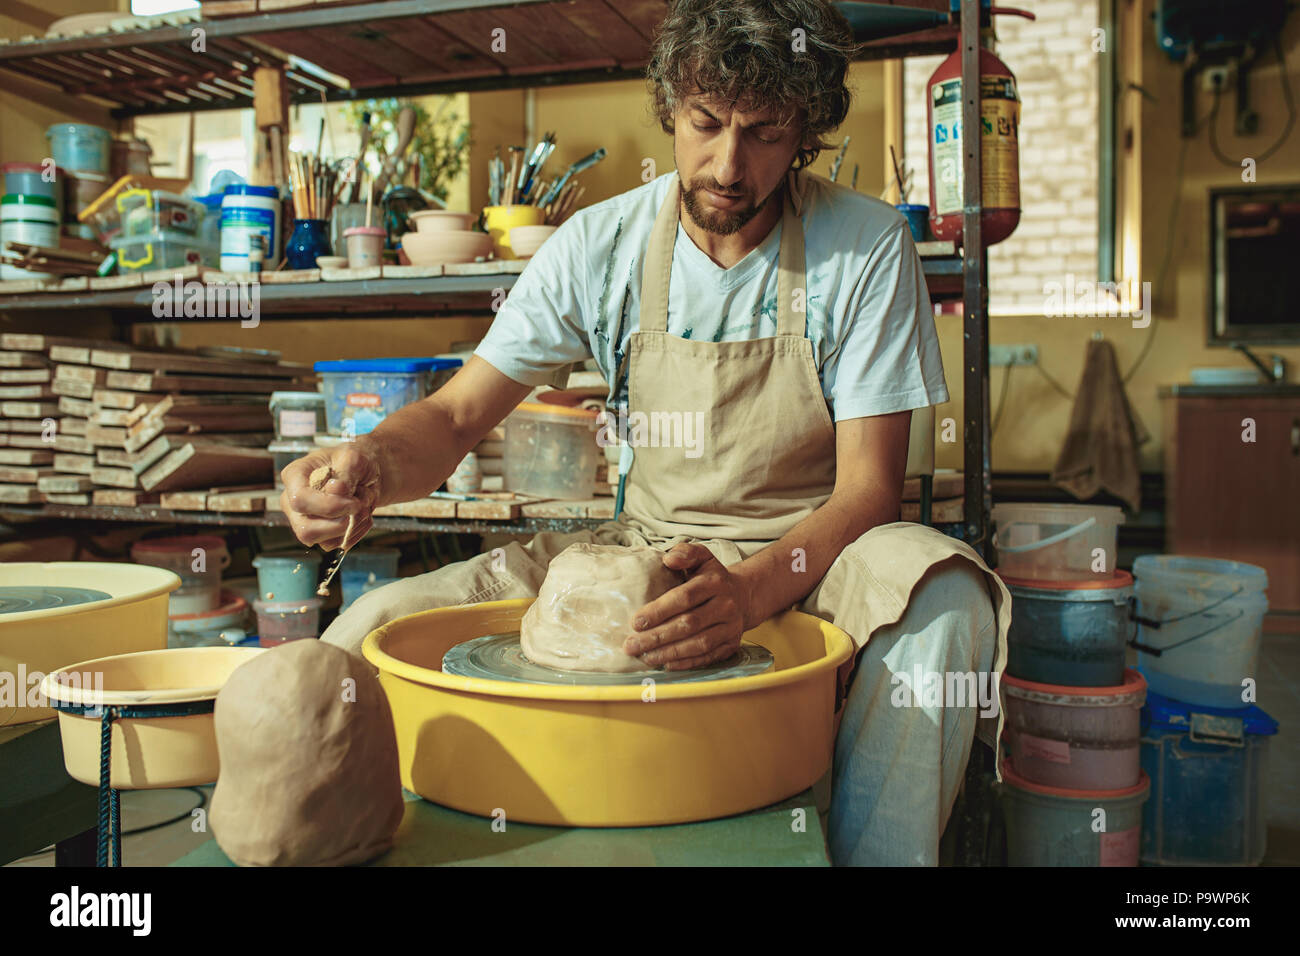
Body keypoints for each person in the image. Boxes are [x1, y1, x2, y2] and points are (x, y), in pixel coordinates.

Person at [281, 0, 1010, 866]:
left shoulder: (866, 246)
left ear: (806, 131)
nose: (729, 165)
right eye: (706, 124)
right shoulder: (602, 245)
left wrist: (745, 595)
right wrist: (367, 461)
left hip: (814, 561)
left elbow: (868, 491)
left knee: (947, 604)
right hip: (644, 549)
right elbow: (452, 417)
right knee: (368, 624)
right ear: (671, 105)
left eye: (766, 132)